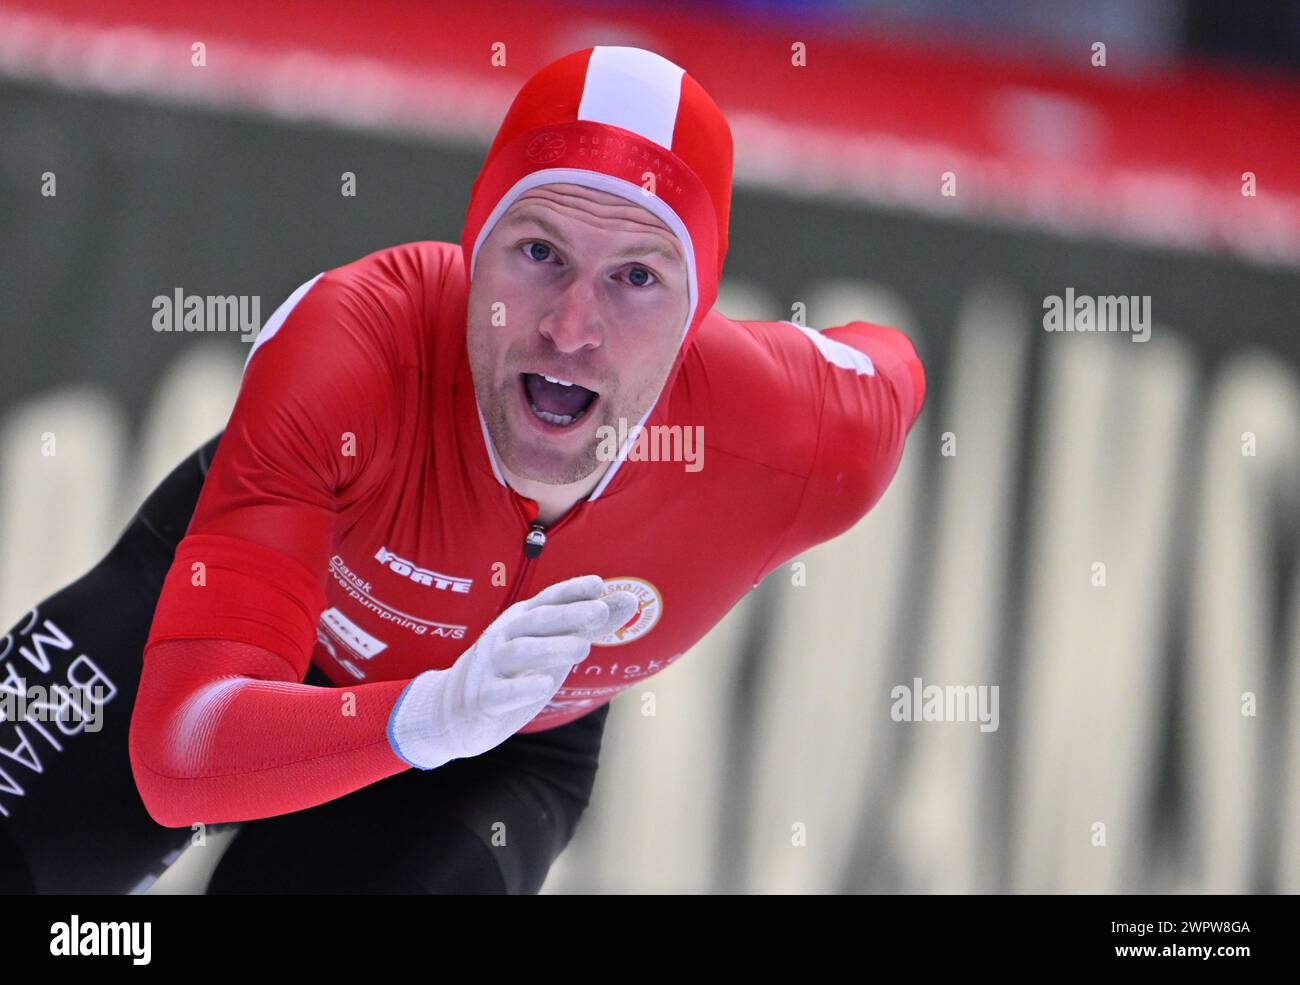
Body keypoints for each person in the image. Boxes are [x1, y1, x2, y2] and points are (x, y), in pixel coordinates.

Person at [0, 44, 925, 894]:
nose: (570, 329)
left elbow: (893, 370)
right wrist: (426, 713)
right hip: (260, 644)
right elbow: (178, 756)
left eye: (637, 278)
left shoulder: (793, 436)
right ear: (475, 252)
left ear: (695, 315)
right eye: (538, 252)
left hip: (499, 752)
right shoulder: (353, 350)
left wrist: (452, 730)